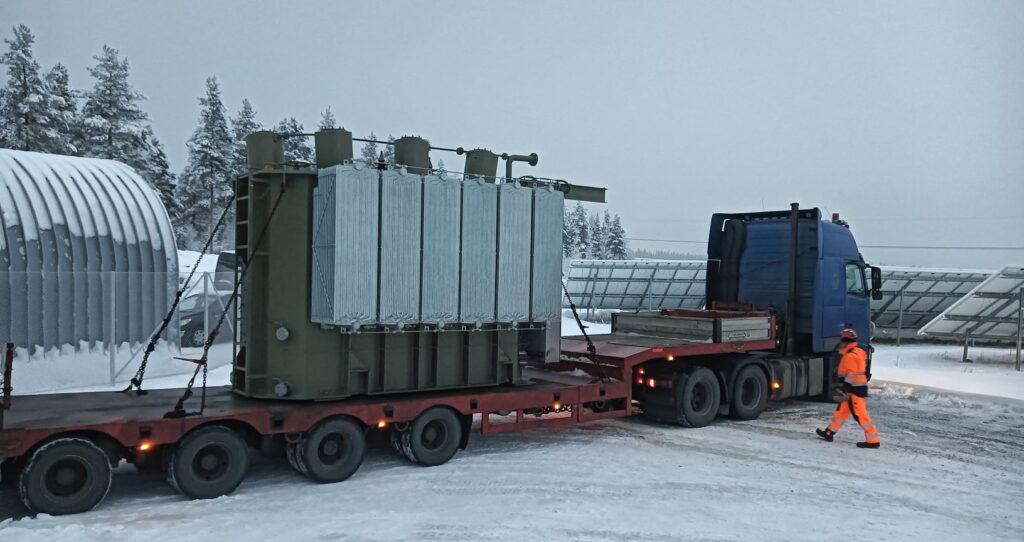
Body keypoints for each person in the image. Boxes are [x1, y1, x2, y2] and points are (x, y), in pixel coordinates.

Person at [816, 328, 880, 449]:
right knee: (841, 412)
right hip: (857, 388)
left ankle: (873, 440)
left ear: (845, 341)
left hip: (854, 390)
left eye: (842, 340)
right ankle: (829, 433)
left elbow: (851, 374)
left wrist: (845, 387)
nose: (840, 343)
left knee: (861, 415)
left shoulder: (850, 356)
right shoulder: (858, 352)